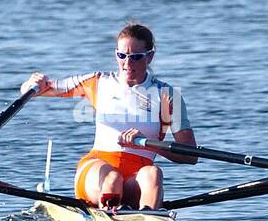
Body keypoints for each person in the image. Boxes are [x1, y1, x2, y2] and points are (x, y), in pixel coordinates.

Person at [21, 22, 198, 210]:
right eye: (122, 56)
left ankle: (148, 219)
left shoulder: (167, 95)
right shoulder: (98, 82)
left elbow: (190, 155)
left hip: (135, 179)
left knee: (153, 173)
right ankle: (109, 212)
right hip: (96, 172)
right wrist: (30, 84)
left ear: (150, 57)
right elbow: (37, 91)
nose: (127, 64)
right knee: (112, 178)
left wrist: (149, 143)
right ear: (116, 54)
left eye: (136, 57)